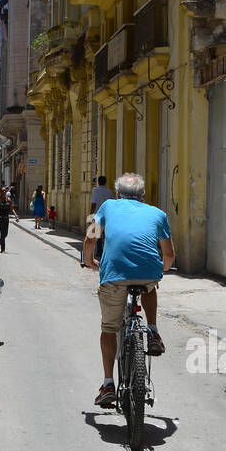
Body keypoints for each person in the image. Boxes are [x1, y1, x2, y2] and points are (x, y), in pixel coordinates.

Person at [86, 172, 175, 409]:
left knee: (109, 328)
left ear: (117, 194)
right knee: (150, 286)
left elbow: (90, 238)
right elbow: (168, 256)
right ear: (143, 196)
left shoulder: (107, 206)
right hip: (148, 274)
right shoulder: (158, 213)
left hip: (114, 275)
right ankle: (153, 331)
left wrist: (89, 260)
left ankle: (107, 384)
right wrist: (160, 270)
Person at [0, 186, 19, 252]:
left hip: (6, 218)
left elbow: (12, 208)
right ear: (0, 192)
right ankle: (3, 249)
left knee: (5, 234)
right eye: (2, 191)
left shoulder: (8, 200)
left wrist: (16, 216)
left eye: (5, 191)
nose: (4, 192)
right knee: (2, 233)